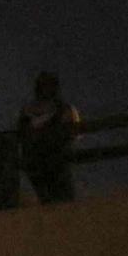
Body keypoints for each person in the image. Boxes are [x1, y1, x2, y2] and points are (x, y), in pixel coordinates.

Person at [14, 71, 81, 204]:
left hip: (48, 160)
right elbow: (74, 133)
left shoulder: (62, 109)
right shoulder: (62, 109)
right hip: (47, 160)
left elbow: (73, 133)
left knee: (57, 198)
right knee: (58, 198)